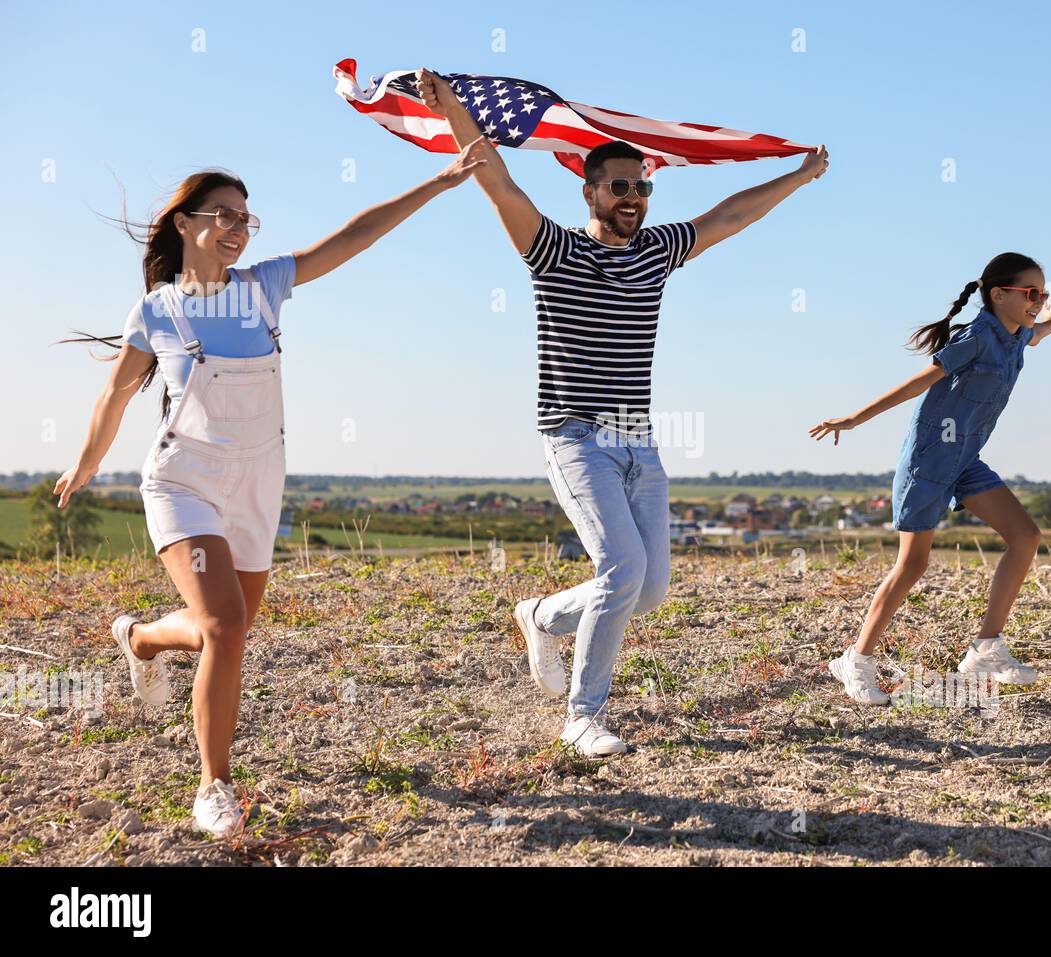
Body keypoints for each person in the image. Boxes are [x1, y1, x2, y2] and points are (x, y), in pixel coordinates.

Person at [53, 139, 487, 836]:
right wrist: (85, 462)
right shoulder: (159, 310)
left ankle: (139, 638)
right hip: (184, 483)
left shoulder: (265, 287)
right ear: (184, 223)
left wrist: (436, 183)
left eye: (246, 219)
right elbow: (115, 393)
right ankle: (213, 785)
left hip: (258, 484)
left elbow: (354, 235)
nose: (236, 227)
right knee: (225, 627)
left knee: (227, 630)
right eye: (223, 213)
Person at [415, 67, 829, 755]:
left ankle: (541, 615)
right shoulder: (553, 251)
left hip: (640, 439)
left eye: (643, 185)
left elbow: (729, 216)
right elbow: (495, 178)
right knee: (621, 570)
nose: (634, 196)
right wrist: (455, 109)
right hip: (575, 437)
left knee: (650, 587)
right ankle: (584, 715)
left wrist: (799, 176)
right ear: (589, 190)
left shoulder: (658, 252)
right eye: (620, 185)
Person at [809, 253, 1051, 704]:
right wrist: (854, 417)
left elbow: (1039, 334)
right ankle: (856, 661)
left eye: (1042, 293)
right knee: (913, 564)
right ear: (998, 295)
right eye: (1031, 293)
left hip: (965, 461)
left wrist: (1049, 319)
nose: (1037, 302)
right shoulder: (976, 337)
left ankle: (986, 648)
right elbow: (920, 381)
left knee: (1025, 536)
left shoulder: (1016, 335)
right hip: (928, 463)